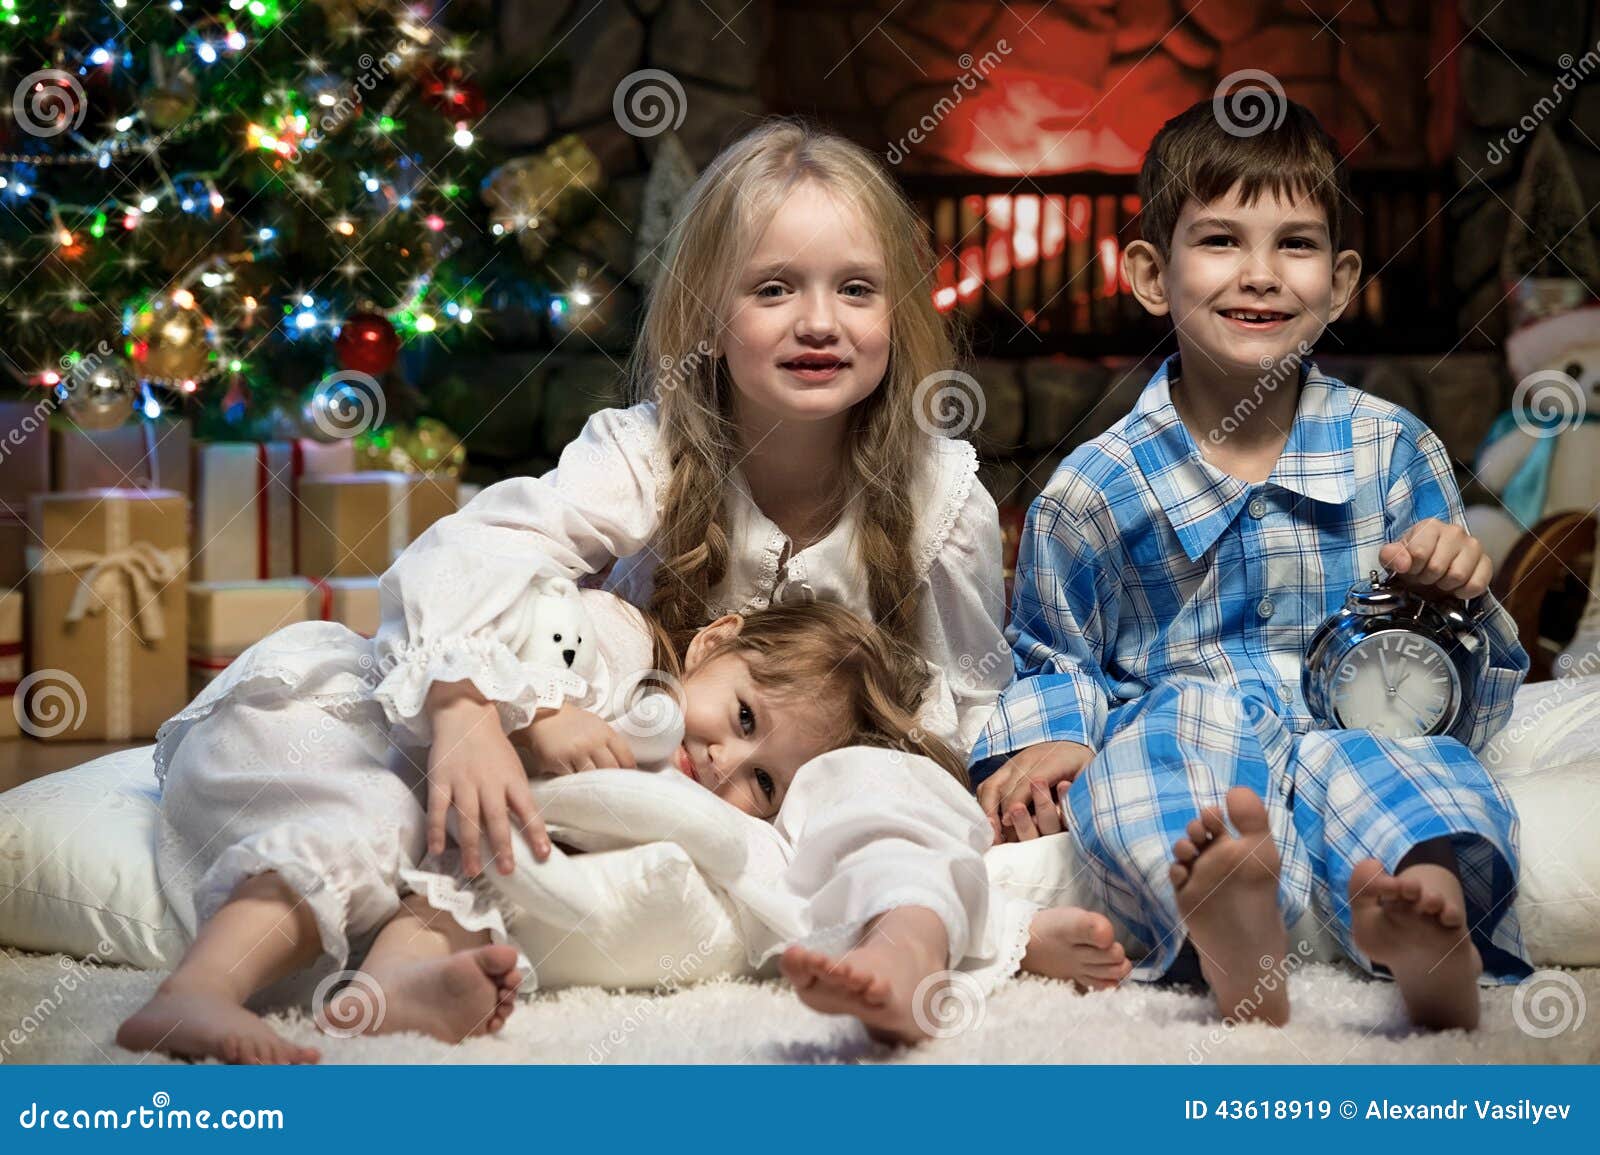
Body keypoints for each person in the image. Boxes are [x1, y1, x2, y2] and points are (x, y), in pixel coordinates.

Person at [972, 98, 1531, 1031]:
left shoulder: (1391, 450)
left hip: (1363, 719)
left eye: (1297, 245)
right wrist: (1057, 736)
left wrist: (1458, 592)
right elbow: (1052, 655)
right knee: (1147, 762)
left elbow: (1460, 688)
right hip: (1189, 721)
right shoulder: (1096, 489)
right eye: (1222, 241)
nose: (1262, 275)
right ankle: (1230, 924)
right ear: (1151, 274)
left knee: (1415, 770)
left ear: (1343, 281)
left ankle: (1427, 914)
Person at [117, 596, 1123, 1063]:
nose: (727, 763)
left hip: (429, 823)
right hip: (321, 734)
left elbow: (782, 872)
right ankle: (196, 992)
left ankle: (388, 993)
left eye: (761, 778)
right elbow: (480, 627)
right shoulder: (611, 647)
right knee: (377, 815)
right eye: (739, 718)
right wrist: (537, 710)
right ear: (717, 640)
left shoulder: (667, 801)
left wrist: (1001, 934)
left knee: (476, 858)